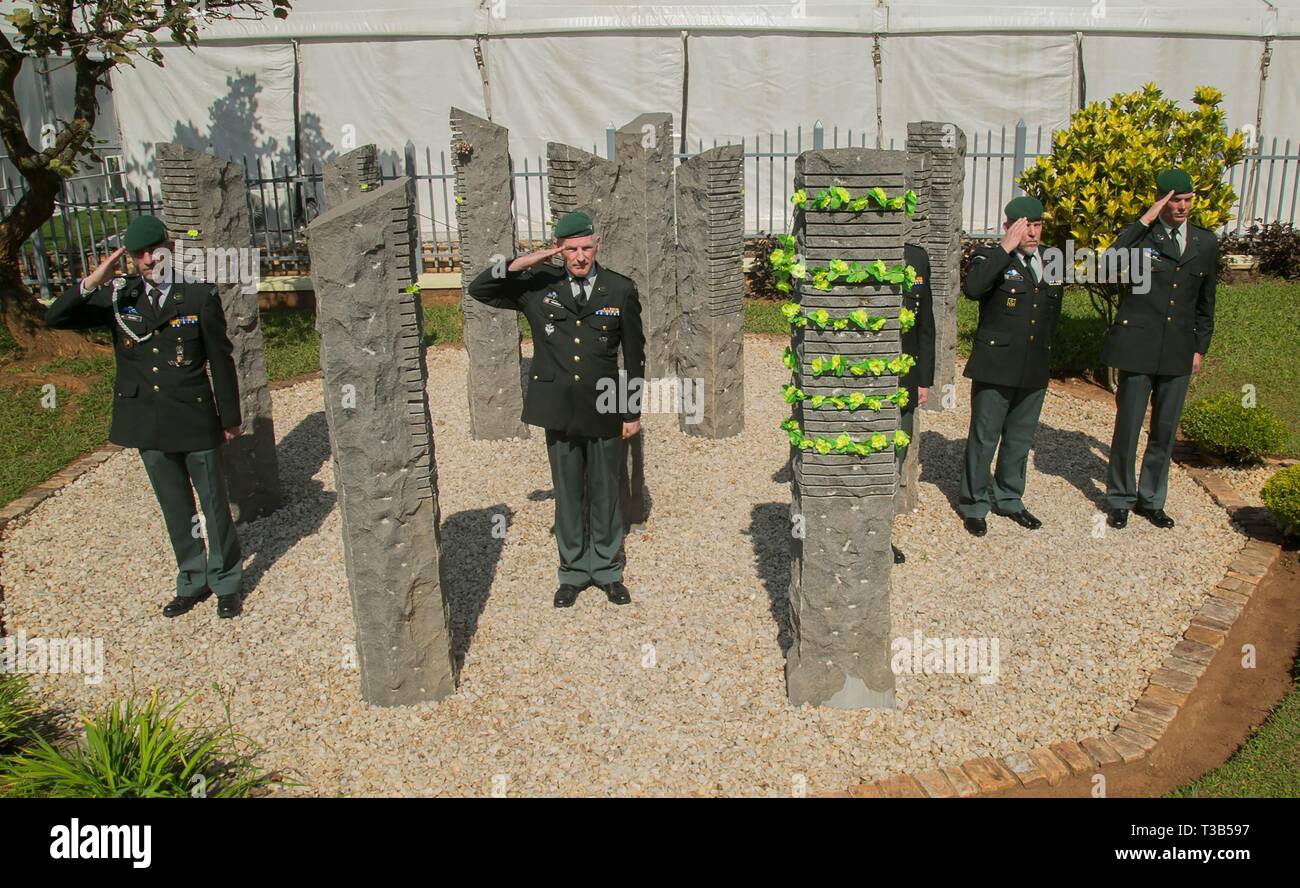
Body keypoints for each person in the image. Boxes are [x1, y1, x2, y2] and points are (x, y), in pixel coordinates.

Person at [44, 215, 245, 619]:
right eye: (137, 255)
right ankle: (192, 580)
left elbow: (220, 361)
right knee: (175, 507)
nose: (147, 261)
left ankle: (225, 581)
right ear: (131, 259)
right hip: (147, 421)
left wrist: (230, 416)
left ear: (168, 249)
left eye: (152, 252)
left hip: (193, 415)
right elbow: (55, 318)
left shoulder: (197, 295)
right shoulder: (119, 297)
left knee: (214, 505)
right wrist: (93, 281)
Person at [468, 212, 646, 608]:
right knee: (567, 492)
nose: (580, 257)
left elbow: (635, 356)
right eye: (571, 250)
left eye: (586, 248)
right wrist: (531, 259)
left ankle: (606, 569)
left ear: (596, 245)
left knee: (605, 491)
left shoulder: (619, 288)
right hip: (558, 406)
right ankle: (572, 571)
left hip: (605, 404)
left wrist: (632, 411)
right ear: (559, 250)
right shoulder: (537, 286)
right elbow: (480, 287)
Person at [1102, 169, 1216, 530]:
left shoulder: (1205, 243)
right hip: (1137, 346)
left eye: (1187, 199)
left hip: (1178, 350)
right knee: (1128, 426)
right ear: (1162, 200)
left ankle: (1151, 499)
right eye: (1174, 200)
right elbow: (1107, 263)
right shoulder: (1140, 239)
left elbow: (1205, 304)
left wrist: (1199, 348)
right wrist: (1144, 219)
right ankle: (1120, 497)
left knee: (1164, 430)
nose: (1182, 207)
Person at [957, 196, 1063, 536]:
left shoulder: (1052, 258)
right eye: (1024, 226)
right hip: (996, 363)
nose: (1031, 232)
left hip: (1033, 363)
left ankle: (1009, 498)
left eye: (1036, 225)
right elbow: (973, 290)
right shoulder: (989, 256)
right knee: (984, 436)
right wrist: (1005, 248)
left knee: (1020, 437)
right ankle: (973, 502)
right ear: (1008, 227)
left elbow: (1051, 313)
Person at [892, 241, 936, 563]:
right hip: (863, 386)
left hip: (904, 381)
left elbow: (925, 323)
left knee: (897, 454)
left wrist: (924, 379)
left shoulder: (917, 257)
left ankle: (882, 534)